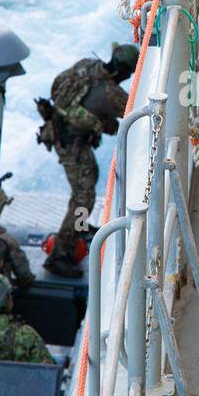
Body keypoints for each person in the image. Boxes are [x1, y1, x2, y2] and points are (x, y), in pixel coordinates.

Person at [38, 44, 137, 278]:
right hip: (72, 144)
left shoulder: (86, 65)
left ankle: (80, 228)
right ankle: (60, 255)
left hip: (58, 131)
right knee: (84, 195)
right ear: (124, 70)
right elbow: (132, 112)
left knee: (88, 180)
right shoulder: (112, 94)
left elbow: (55, 86)